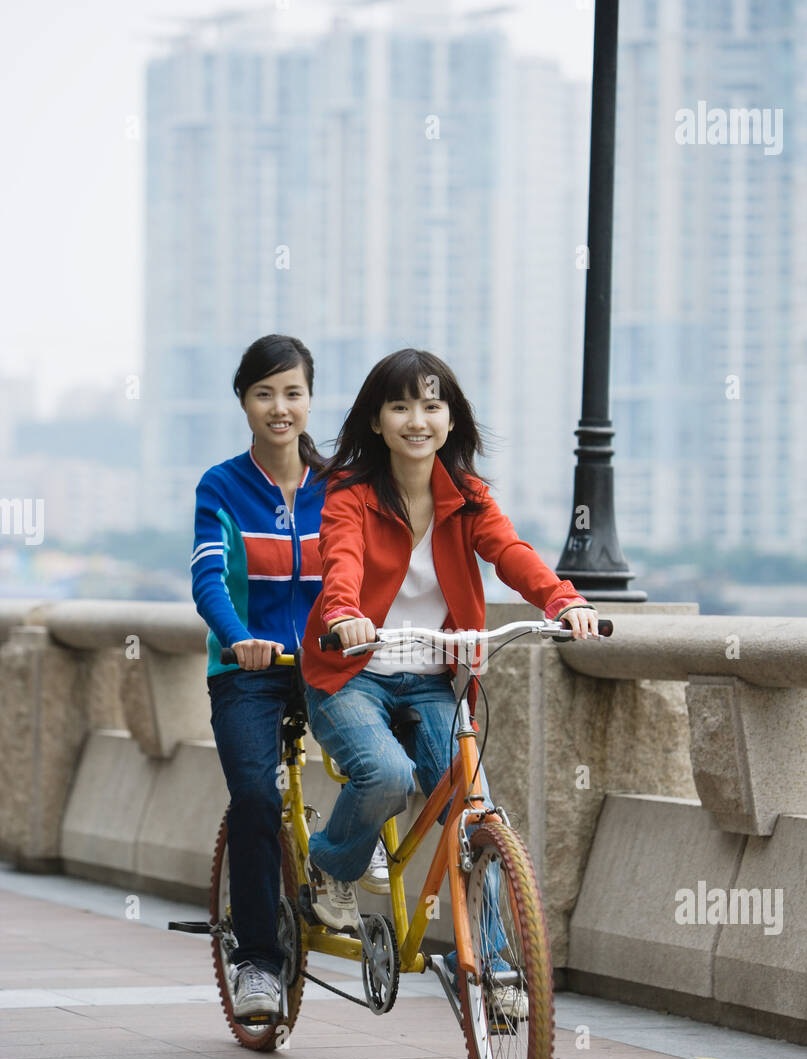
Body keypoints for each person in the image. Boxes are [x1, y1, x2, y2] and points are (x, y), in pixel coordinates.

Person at [299, 348, 598, 999]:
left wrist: (561, 600)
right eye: (400, 405)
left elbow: (510, 552)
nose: (417, 419)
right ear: (375, 421)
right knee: (386, 774)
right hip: (351, 675)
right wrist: (345, 612)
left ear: (450, 418)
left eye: (431, 404)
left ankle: (490, 968)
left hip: (434, 682)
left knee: (473, 815)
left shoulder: (467, 497)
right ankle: (328, 867)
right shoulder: (349, 493)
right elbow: (340, 559)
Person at [191, 334, 389, 1020]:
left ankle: (344, 853)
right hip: (249, 669)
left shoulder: (340, 485)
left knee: (382, 756)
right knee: (253, 798)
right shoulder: (221, 485)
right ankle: (257, 964)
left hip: (327, 661)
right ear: (243, 401)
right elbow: (208, 575)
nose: (280, 407)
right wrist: (238, 637)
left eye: (293, 392)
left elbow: (361, 569)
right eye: (264, 393)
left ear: (310, 400)